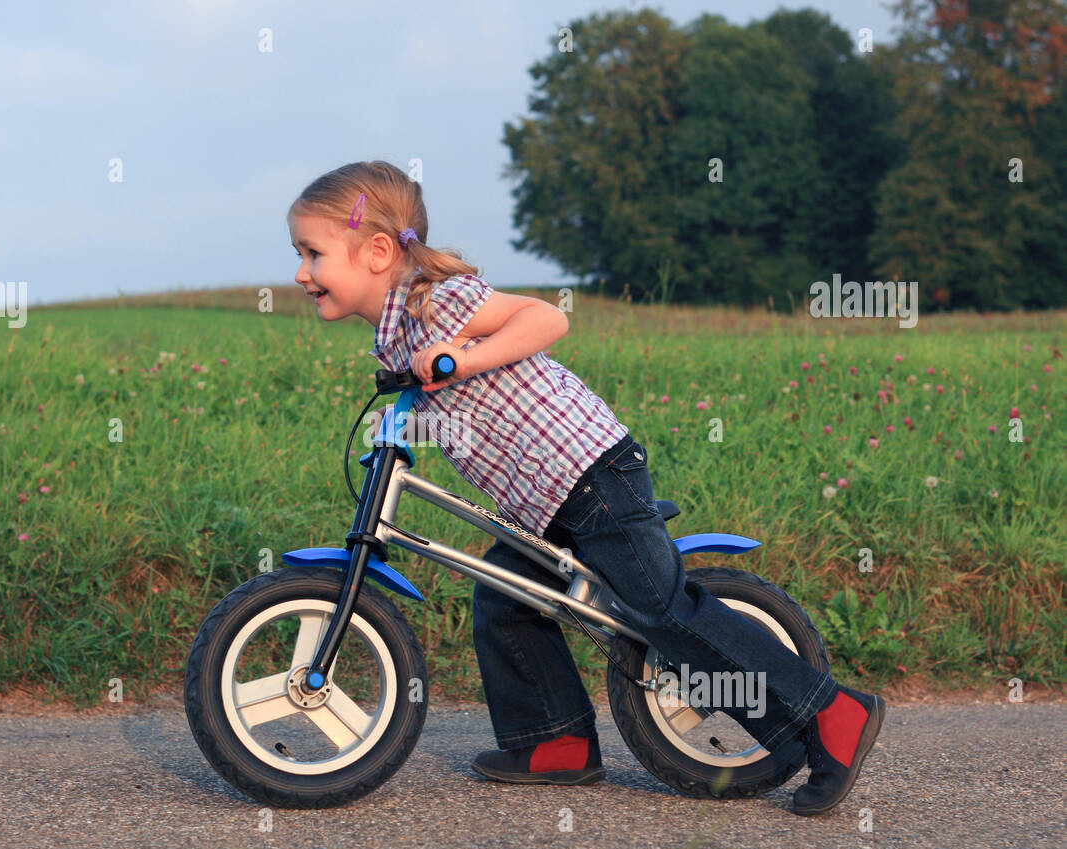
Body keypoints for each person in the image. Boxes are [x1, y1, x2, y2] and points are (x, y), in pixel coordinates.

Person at [287, 160, 884, 816]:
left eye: (311, 253)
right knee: (506, 596)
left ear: (375, 252)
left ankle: (833, 713)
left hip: (593, 476)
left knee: (659, 610)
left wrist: (466, 356)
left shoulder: (442, 299)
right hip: (544, 501)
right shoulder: (394, 333)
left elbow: (546, 320)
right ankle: (554, 744)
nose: (300, 273)